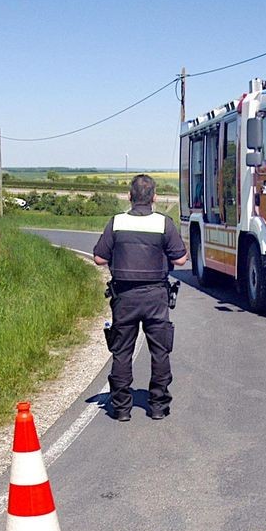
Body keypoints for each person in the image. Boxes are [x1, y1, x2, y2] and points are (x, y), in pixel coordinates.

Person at [93, 175, 188, 421]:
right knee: (160, 351)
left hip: (124, 297)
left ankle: (122, 408)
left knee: (122, 352)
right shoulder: (163, 224)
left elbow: (99, 258)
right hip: (156, 296)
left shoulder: (116, 222)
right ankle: (157, 405)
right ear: (154, 197)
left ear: (129, 196)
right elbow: (180, 259)